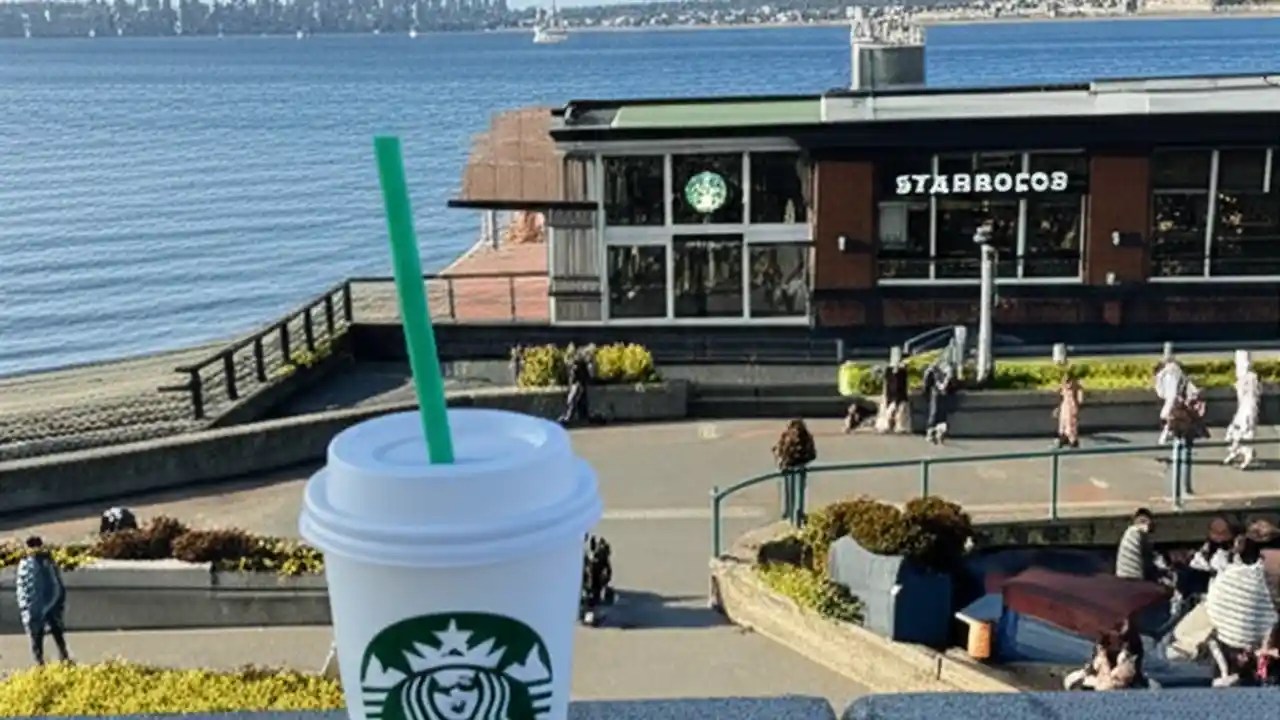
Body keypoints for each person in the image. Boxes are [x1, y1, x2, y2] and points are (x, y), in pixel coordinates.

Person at [1205, 536, 1278, 686]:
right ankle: (1256, 670)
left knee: (1210, 634)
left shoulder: (1230, 571)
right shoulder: (1260, 575)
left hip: (1230, 634)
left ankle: (1226, 672)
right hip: (1254, 636)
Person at [15, 536, 71, 666]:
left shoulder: (46, 561)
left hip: (50, 603)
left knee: (56, 631)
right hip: (35, 606)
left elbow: (55, 583)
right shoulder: (27, 563)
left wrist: (57, 600)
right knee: (37, 636)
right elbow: (22, 587)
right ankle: (40, 661)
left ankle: (63, 655)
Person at [1224, 352, 1261, 470]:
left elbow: (1252, 393)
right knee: (1235, 431)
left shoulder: (1249, 377)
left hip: (1248, 410)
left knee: (1244, 433)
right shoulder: (1246, 378)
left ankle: (1246, 454)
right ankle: (1236, 451)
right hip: (1243, 409)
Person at [1115, 508, 1169, 583]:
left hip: (1123, 577)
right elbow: (1142, 529)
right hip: (1133, 578)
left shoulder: (1131, 533)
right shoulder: (1135, 531)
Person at [922, 360, 956, 445]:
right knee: (940, 414)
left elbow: (926, 384)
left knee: (935, 413)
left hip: (936, 393)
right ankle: (936, 433)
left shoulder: (933, 371)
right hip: (941, 394)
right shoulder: (943, 371)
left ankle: (933, 433)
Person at [1154, 357, 1186, 446]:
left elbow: (1160, 390)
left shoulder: (1162, 374)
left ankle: (1169, 434)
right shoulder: (1178, 372)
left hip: (1171, 399)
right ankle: (1173, 434)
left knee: (1168, 416)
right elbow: (1182, 384)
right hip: (1176, 399)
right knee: (1172, 417)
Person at [558, 349, 593, 426]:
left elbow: (576, 377)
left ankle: (570, 417)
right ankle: (581, 417)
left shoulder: (577, 366)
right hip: (579, 385)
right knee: (579, 401)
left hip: (577, 385)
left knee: (572, 401)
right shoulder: (578, 365)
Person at [875, 360, 910, 435]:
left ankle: (897, 425)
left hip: (895, 395)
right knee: (895, 407)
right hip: (893, 394)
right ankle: (895, 425)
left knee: (897, 407)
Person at [1053, 370, 1083, 448]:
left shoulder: (1076, 387)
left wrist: (1078, 406)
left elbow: (1080, 399)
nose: (1067, 383)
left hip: (1071, 406)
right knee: (1063, 423)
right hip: (1065, 406)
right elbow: (1060, 396)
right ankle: (1064, 438)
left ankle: (1072, 440)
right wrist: (1058, 408)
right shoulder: (1064, 387)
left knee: (1071, 423)